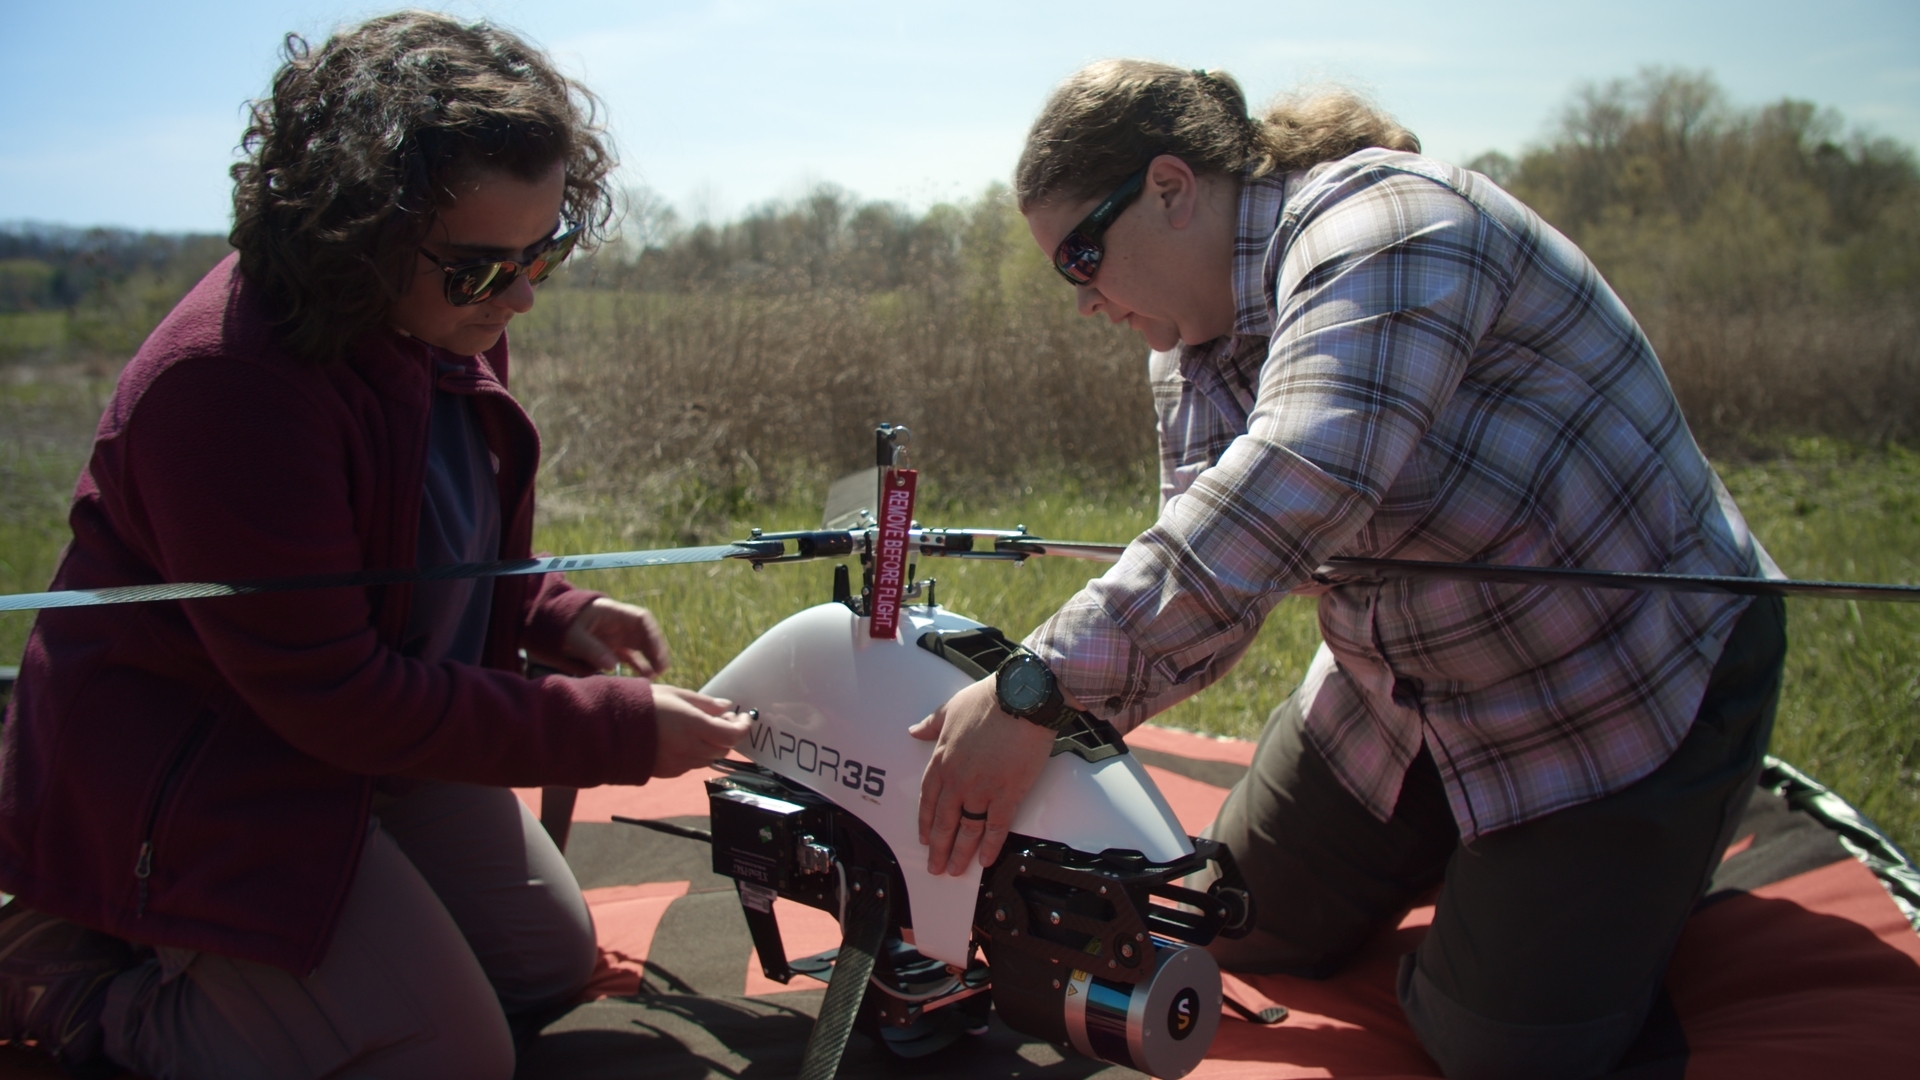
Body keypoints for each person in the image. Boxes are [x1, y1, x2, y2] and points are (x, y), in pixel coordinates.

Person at [912, 60, 1785, 1080]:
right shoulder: (1186, 347)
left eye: (1083, 257)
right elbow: (1213, 572)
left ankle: (1653, 837)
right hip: (1393, 692)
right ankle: (1485, 865)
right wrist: (1062, 709)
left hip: (1608, 687)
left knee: (1495, 1047)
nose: (1086, 301)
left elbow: (1288, 488)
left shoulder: (1390, 228)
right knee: (1223, 919)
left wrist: (1035, 694)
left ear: (1171, 187)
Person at [0, 13, 749, 1079]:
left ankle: (316, 932)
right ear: (359, 230)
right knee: (440, 1053)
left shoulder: (439, 313)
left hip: (363, 735)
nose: (524, 293)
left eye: (547, 250)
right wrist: (615, 730)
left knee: (543, 964)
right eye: (489, 267)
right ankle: (70, 983)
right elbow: (335, 695)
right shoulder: (227, 386)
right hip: (208, 770)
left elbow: (423, 541)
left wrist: (550, 609)